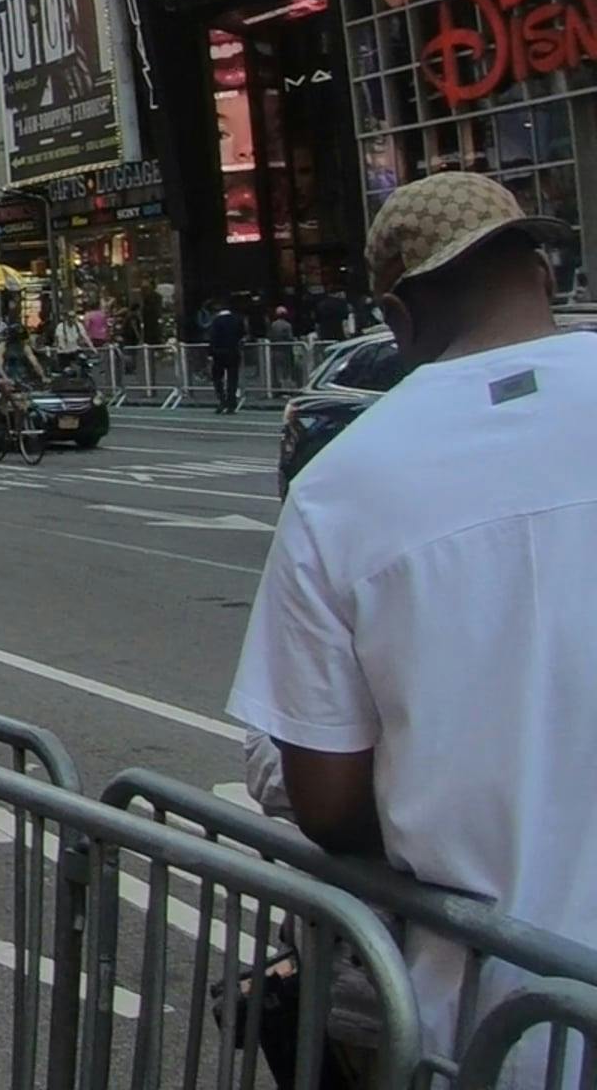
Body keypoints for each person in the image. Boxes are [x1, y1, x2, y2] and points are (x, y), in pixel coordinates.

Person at [230, 174, 597, 1070]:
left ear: (396, 317)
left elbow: (325, 799)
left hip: (498, 1024)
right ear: (543, 274)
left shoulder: (340, 488)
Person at [203, 295, 249, 414]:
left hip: (219, 353)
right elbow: (243, 335)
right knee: (232, 378)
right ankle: (232, 403)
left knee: (217, 378)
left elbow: (212, 338)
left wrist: (210, 354)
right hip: (233, 352)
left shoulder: (216, 322)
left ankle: (222, 401)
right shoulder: (237, 319)